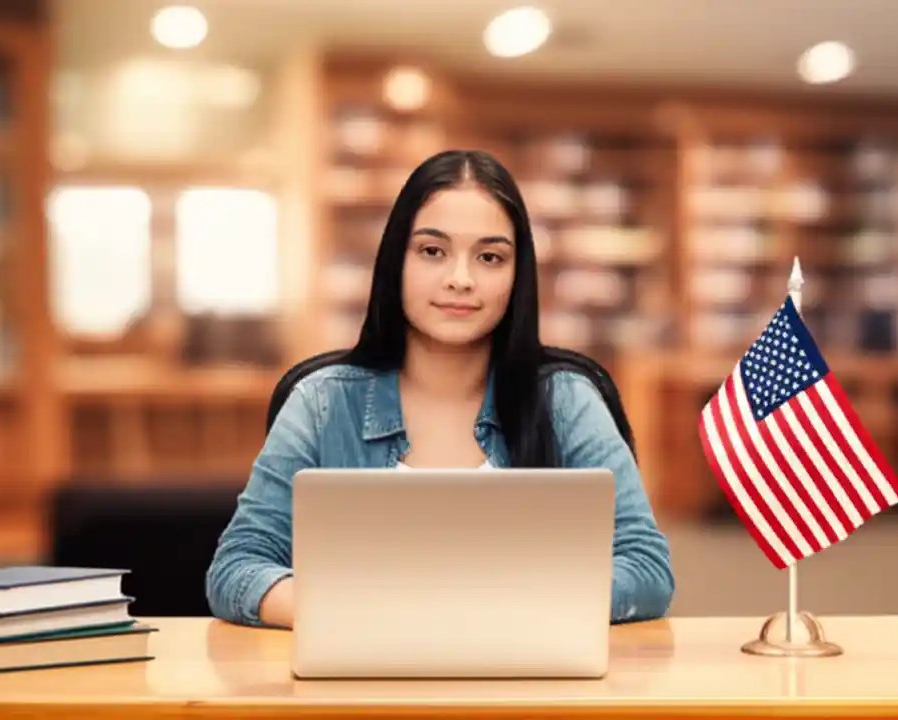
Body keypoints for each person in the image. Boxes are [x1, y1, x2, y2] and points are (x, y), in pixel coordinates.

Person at [206, 149, 674, 628]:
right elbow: (238, 569)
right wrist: (374, 614)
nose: (460, 279)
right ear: (396, 260)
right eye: (433, 251)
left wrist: (488, 609)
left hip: (526, 691)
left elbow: (645, 568)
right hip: (363, 689)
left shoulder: (567, 402)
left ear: (518, 276)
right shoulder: (321, 403)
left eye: (490, 257)